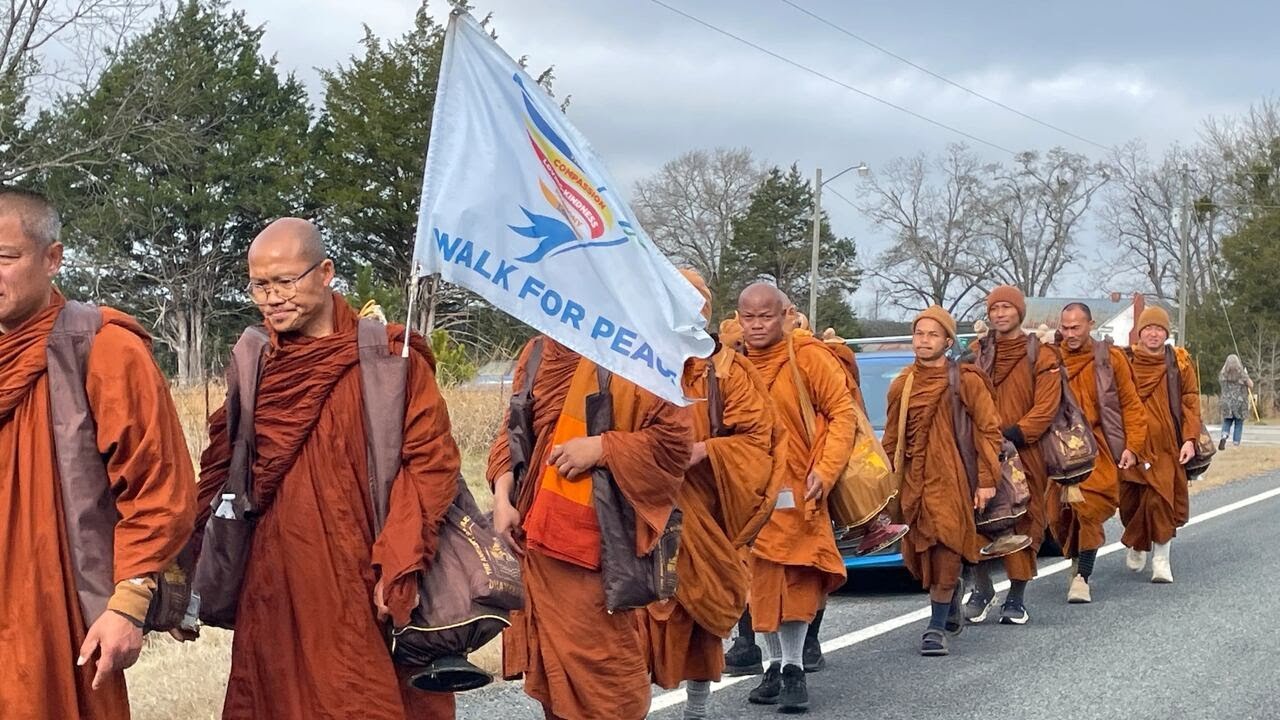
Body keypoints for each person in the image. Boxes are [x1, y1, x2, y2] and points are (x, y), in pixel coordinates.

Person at [195, 218, 460, 719]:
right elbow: (220, 466)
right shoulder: (255, 359)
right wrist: (180, 566)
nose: (273, 298)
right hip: (275, 580)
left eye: (285, 281)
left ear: (325, 273)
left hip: (365, 574)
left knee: (364, 697)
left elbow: (430, 464)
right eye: (260, 285)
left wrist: (399, 565)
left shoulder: (388, 357)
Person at [0, 189, 197, 719]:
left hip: (58, 611)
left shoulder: (105, 348)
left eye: (5, 258)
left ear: (53, 258)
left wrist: (129, 605)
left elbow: (158, 490)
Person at [487, 331, 691, 720]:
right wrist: (502, 497)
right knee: (552, 678)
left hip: (596, 546)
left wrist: (603, 447)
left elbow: (674, 444)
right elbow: (512, 431)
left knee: (607, 677)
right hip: (533, 535)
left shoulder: (634, 351)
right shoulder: (538, 351)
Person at [645, 269, 781, 720]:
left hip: (705, 509)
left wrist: (704, 451)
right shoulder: (637, 360)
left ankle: (697, 709)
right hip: (646, 504)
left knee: (701, 614)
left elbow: (757, 441)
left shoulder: (729, 371)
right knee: (638, 616)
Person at [737, 283, 850, 713]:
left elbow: (842, 413)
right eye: (749, 318)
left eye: (766, 316)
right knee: (758, 583)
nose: (757, 325)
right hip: (749, 493)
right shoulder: (732, 364)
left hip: (801, 488)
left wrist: (827, 468)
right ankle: (772, 665)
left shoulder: (807, 357)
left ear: (785, 315)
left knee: (797, 582)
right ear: (738, 319)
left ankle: (794, 668)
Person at [882, 306, 1002, 656]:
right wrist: (883, 483)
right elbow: (892, 437)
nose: (924, 341)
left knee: (948, 543)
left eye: (933, 335)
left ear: (948, 342)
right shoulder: (902, 383)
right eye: (919, 334)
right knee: (920, 552)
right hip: (913, 482)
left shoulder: (966, 381)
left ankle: (935, 628)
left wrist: (986, 480)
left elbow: (989, 431)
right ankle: (948, 599)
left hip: (953, 479)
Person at [963, 286, 1061, 626]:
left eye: (1006, 307)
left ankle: (1016, 596)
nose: (1000, 314)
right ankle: (981, 587)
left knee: (1024, 519)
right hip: (981, 449)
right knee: (975, 516)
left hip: (1025, 451)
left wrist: (1014, 434)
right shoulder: (976, 352)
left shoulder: (1041, 354)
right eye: (994, 309)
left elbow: (1047, 406)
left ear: (1020, 312)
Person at [1048, 303, 1147, 603]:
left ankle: (1083, 577)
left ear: (1090, 325)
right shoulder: (1050, 359)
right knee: (1058, 514)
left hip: (1097, 446)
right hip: (1057, 448)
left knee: (1088, 508)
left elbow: (1131, 405)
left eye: (1076, 327)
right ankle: (1075, 559)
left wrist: (1132, 447)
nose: (1070, 334)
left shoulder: (1110, 359)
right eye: (1065, 328)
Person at [1120, 306, 1201, 584]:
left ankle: (1161, 560)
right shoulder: (1125, 360)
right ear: (1139, 332)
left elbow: (1190, 401)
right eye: (1148, 329)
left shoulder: (1179, 362)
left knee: (1162, 500)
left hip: (1168, 444)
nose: (1153, 334)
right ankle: (1137, 542)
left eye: (1159, 329)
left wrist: (1190, 439)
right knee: (1130, 501)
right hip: (1132, 443)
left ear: (1166, 333)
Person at [1218, 354, 1253, 450]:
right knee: (1238, 423)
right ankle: (1235, 444)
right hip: (1240, 403)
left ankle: (1224, 436)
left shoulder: (1222, 374)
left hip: (1226, 402)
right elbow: (1251, 385)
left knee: (1227, 421)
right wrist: (1246, 376)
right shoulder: (1242, 374)